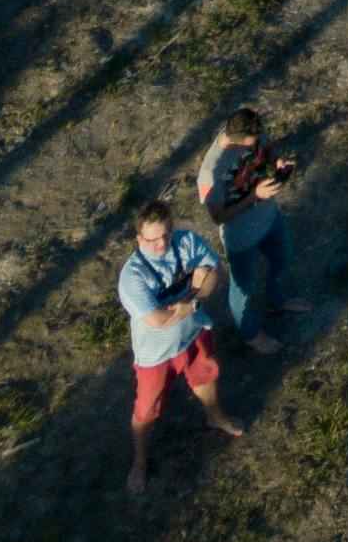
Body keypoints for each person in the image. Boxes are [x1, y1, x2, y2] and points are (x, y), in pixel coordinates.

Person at [119, 203, 242, 499]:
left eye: (166, 235)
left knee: (206, 374)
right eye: (152, 240)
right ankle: (139, 461)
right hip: (155, 355)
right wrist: (193, 293)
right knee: (147, 409)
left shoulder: (186, 241)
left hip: (193, 334)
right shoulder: (132, 278)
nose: (161, 244)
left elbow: (213, 274)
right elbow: (158, 321)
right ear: (139, 239)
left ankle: (215, 416)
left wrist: (191, 301)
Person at [195, 105, 295, 348]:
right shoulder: (212, 172)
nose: (255, 145)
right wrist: (254, 196)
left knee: (282, 259)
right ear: (235, 140)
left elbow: (267, 149)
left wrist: (277, 161)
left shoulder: (253, 130)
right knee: (243, 289)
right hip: (241, 236)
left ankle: (276, 300)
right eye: (250, 144)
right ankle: (250, 334)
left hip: (269, 216)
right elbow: (218, 216)